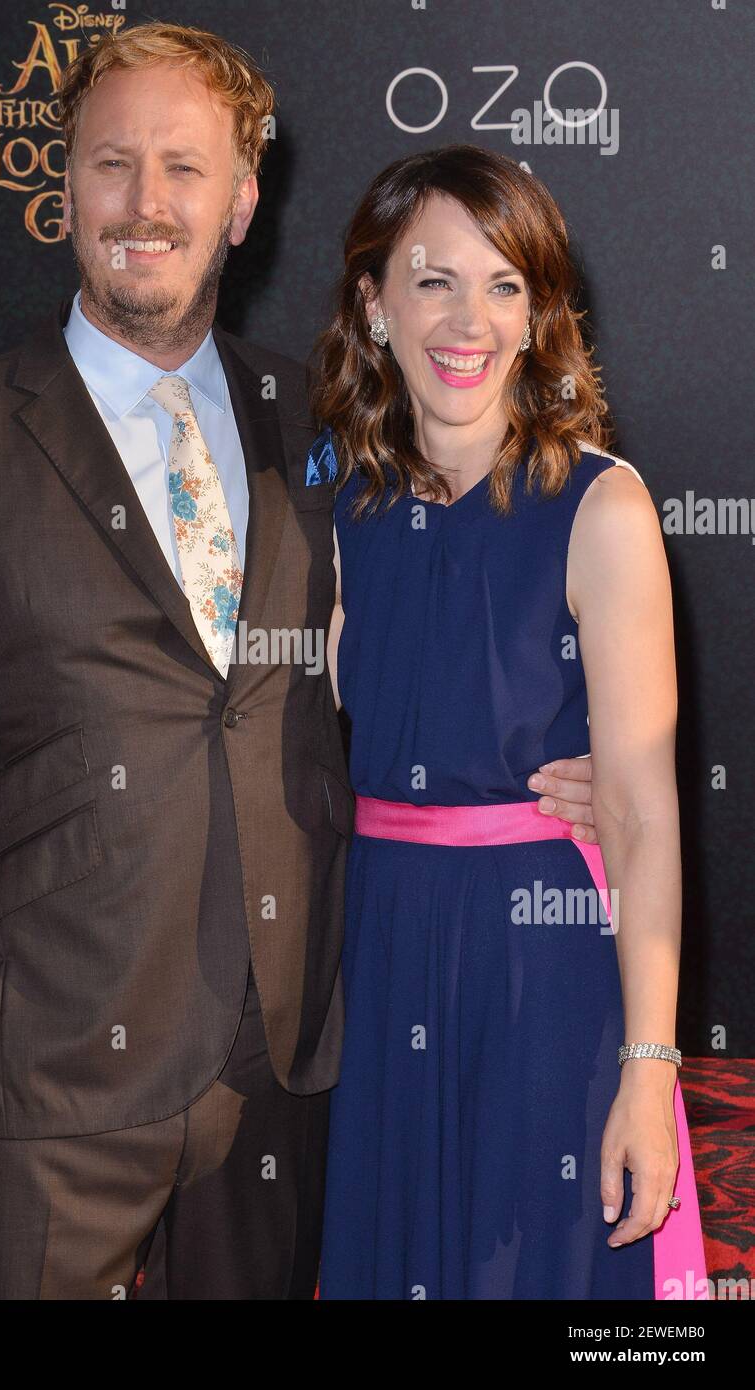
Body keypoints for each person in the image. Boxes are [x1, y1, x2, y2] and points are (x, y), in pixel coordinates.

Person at [0, 23, 598, 1300]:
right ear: (64, 188)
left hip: (283, 1067)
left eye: (185, 169)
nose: (147, 205)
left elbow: (453, 609)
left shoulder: (326, 421)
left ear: (242, 201)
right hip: (43, 1080)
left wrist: (546, 779)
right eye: (112, 165)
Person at [309, 145, 707, 1300]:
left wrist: (647, 1065)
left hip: (541, 966)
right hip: (376, 958)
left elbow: (638, 807)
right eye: (432, 280)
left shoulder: (602, 503)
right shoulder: (335, 505)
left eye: (504, 284)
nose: (466, 318)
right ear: (375, 307)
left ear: (537, 317)